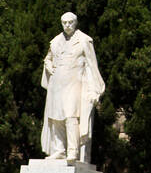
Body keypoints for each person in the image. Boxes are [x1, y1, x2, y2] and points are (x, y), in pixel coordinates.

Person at [40, 11, 105, 162]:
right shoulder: (55, 41)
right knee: (56, 118)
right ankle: (59, 149)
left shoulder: (84, 40)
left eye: (70, 22)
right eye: (64, 23)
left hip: (74, 84)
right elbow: (48, 59)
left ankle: (72, 150)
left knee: (71, 116)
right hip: (57, 85)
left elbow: (91, 64)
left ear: (75, 23)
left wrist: (95, 89)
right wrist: (48, 65)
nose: (67, 25)